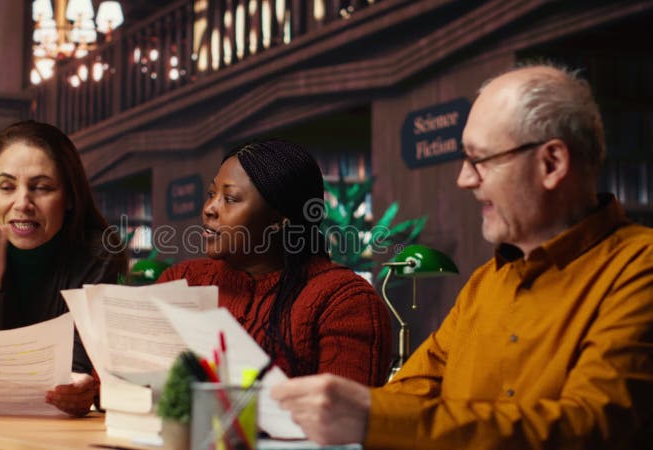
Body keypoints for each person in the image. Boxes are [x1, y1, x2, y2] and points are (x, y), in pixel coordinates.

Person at [271, 64, 653, 448]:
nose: (464, 179)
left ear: (551, 164)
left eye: (479, 160)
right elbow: (416, 388)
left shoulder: (640, 267)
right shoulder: (485, 282)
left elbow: (588, 427)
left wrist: (371, 416)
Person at [159, 140, 391, 386]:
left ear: (278, 219)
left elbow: (340, 418)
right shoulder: (182, 281)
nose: (209, 209)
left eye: (230, 198)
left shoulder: (343, 301)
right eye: (211, 194)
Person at [0, 120, 127, 416]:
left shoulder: (96, 254)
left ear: (69, 197)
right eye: (6, 187)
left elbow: (69, 374)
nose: (22, 203)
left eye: (41, 188)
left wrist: (78, 390)